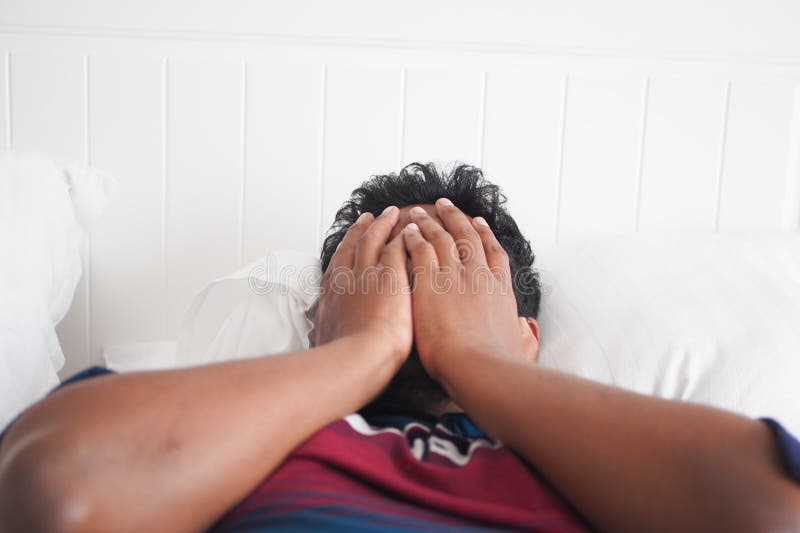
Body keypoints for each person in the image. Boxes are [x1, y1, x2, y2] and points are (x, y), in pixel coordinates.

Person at [0, 163, 798, 532]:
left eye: (453, 286)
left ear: (526, 338)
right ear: (319, 322)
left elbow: (775, 513)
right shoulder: (231, 432)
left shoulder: (596, 455)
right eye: (385, 280)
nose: (416, 308)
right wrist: (359, 354)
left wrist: (476, 363)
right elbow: (52, 494)